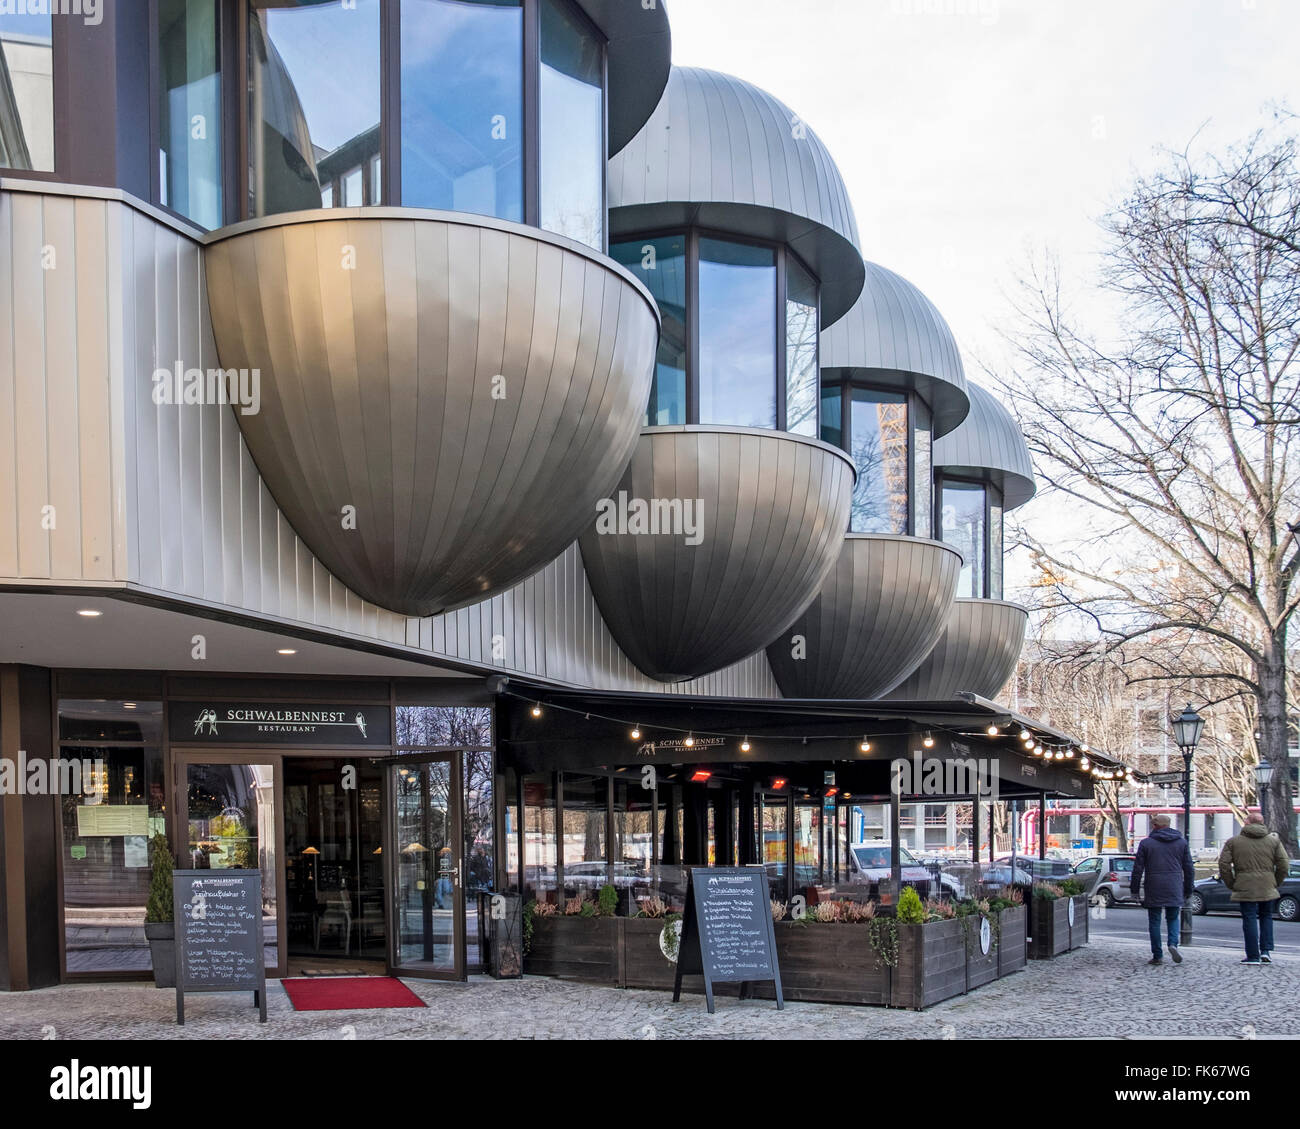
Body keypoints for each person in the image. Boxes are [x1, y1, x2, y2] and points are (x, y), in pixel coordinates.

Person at [1218, 813, 1289, 965]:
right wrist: (1275, 881)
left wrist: (1232, 883)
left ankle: (1252, 955)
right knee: (1266, 917)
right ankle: (1266, 951)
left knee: (1249, 918)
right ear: (1262, 823)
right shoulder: (1273, 841)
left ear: (1246, 823)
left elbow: (1224, 865)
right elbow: (1284, 865)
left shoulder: (1233, 842)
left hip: (1244, 884)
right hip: (1267, 885)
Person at [1130, 813, 1195, 965]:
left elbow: (1138, 868)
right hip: (1174, 884)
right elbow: (1189, 868)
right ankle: (1173, 943)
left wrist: (1134, 890)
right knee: (1173, 917)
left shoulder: (1146, 843)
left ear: (1155, 826)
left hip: (1154, 884)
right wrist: (1188, 888)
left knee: (1154, 920)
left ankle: (1157, 955)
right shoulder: (1181, 843)